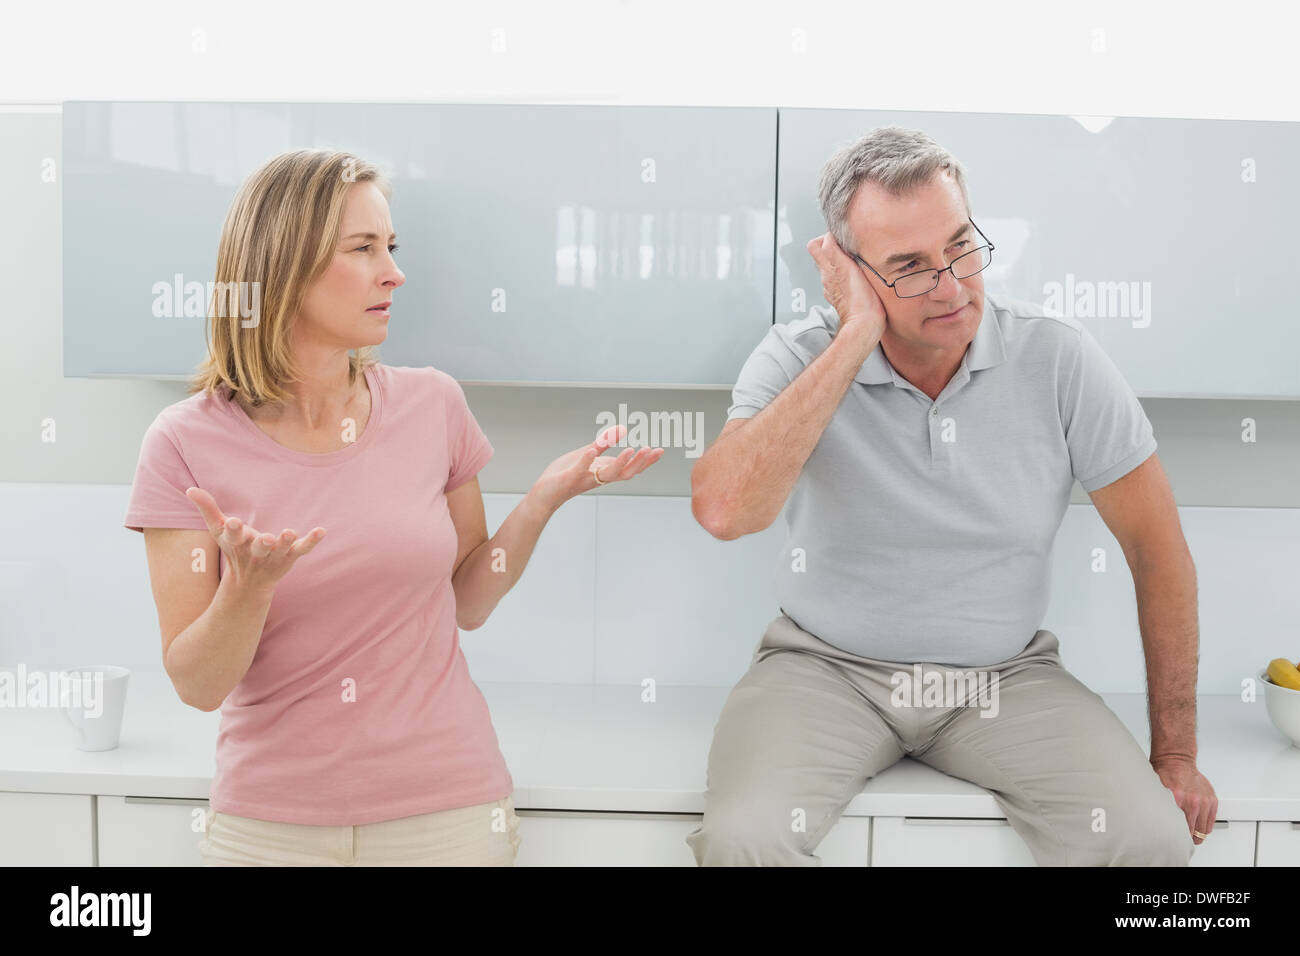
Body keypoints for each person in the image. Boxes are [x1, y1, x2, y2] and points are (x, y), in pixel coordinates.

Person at [686, 125, 1217, 866]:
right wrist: (854, 339)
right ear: (852, 271)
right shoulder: (799, 354)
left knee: (1148, 840)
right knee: (745, 840)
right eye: (907, 267)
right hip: (826, 670)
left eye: (960, 247)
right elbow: (724, 510)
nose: (951, 285)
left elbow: (1159, 554)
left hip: (1005, 679)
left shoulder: (1058, 356)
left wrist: (1179, 753)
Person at [123, 148, 663, 866]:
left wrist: (545, 498)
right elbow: (197, 683)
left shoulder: (432, 405)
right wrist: (246, 591)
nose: (394, 272)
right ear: (287, 266)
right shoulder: (184, 443)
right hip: (270, 827)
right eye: (365, 248)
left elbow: (468, 599)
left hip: (448, 812)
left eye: (392, 246)